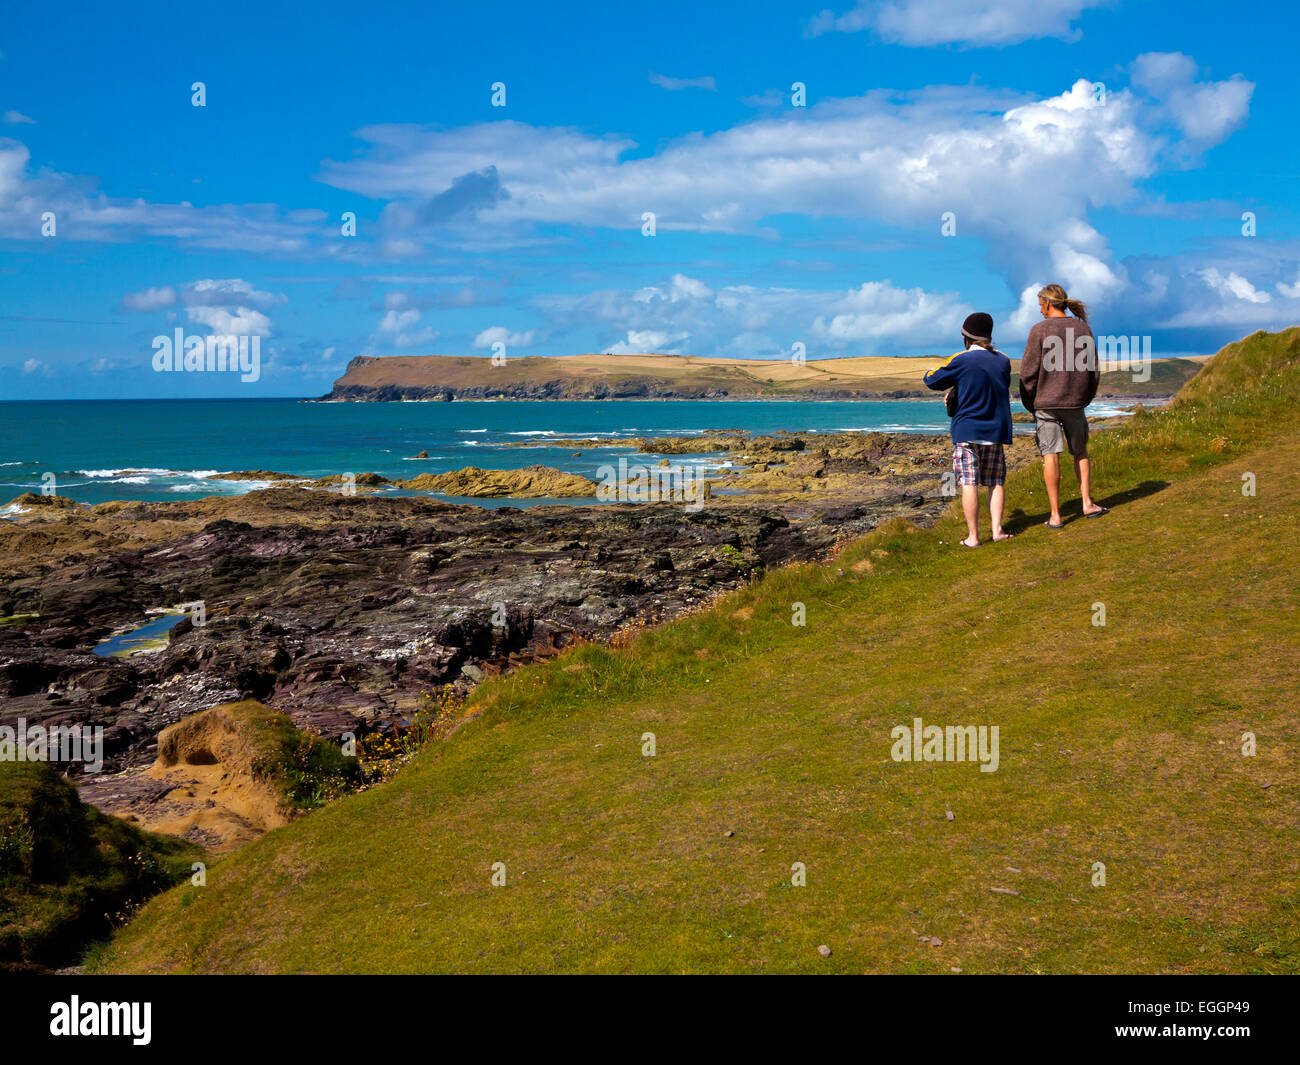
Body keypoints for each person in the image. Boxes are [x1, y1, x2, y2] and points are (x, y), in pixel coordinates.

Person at [1018, 284, 1107, 528]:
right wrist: (1085, 398)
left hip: (1045, 403)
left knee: (1050, 455)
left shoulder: (1038, 330)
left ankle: (1056, 515)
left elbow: (1027, 374)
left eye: (1040, 305)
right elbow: (1093, 370)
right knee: (1080, 452)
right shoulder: (1083, 329)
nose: (1040, 310)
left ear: (1047, 303)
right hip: (1075, 401)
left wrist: (1031, 403)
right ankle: (1087, 503)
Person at [924, 312, 1014, 548]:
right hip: (995, 430)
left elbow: (932, 380)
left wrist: (950, 386)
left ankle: (973, 537)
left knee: (969, 483)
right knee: (996, 482)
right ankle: (997, 531)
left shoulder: (962, 359)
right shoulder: (1003, 360)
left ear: (966, 337)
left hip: (967, 430)